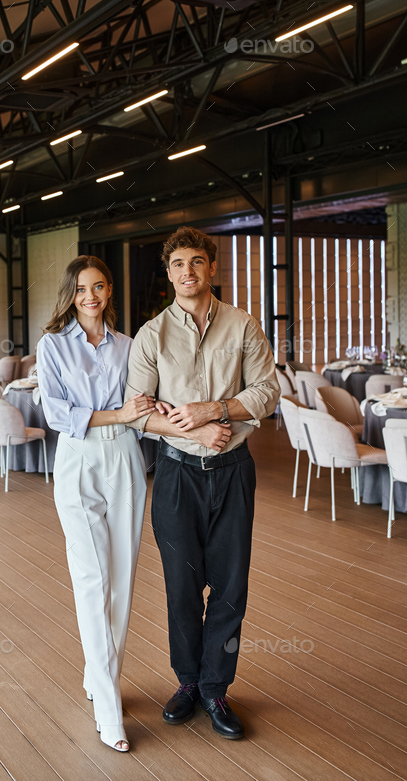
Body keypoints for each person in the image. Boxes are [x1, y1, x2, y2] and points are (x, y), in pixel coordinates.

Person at [124, 226, 280, 739]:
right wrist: (196, 429)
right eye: (177, 264)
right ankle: (188, 681)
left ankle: (216, 688)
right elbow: (138, 412)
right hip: (176, 476)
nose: (187, 271)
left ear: (211, 267)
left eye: (196, 261)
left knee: (231, 587)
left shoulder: (243, 326)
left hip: (233, 472)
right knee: (182, 587)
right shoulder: (151, 335)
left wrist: (216, 410)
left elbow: (267, 392)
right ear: (168, 274)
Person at [37, 255, 154, 753]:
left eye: (99, 287)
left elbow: (142, 406)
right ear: (71, 293)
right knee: (92, 579)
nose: (91, 296)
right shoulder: (52, 345)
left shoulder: (129, 346)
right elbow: (57, 412)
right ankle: (108, 706)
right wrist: (118, 414)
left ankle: (99, 674)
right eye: (82, 288)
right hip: (78, 458)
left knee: (122, 578)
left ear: (109, 292)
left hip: (125, 458)